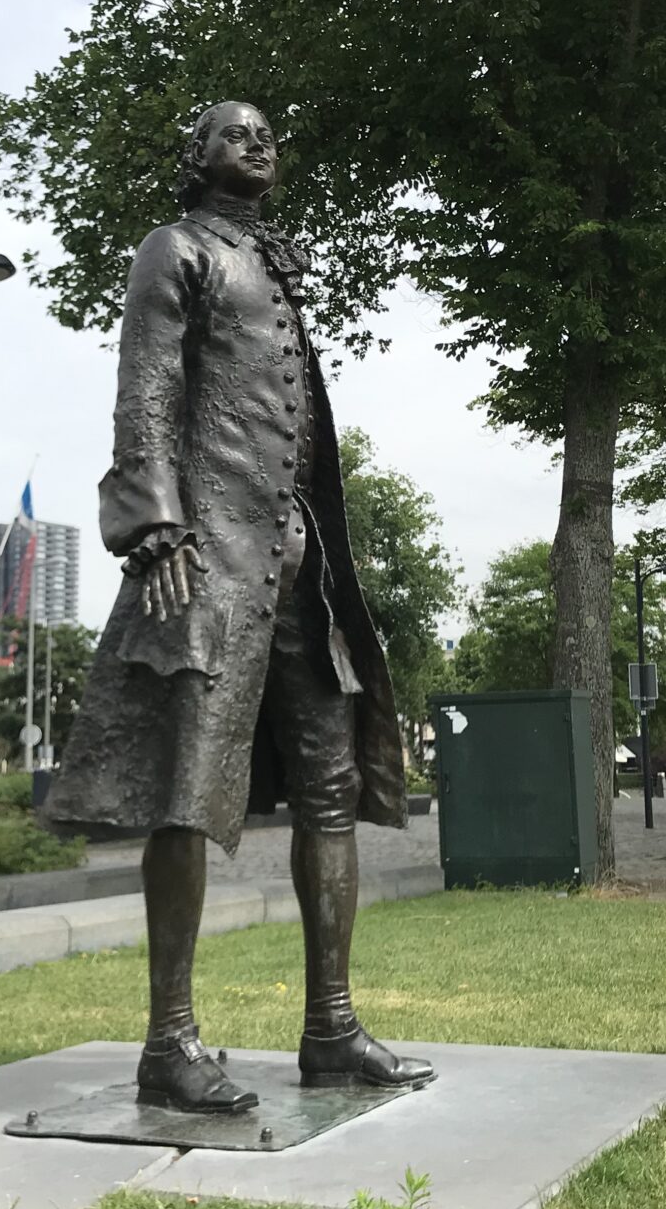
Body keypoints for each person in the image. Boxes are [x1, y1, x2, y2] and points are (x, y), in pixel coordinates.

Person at [48, 101, 433, 1112]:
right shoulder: (173, 250)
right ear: (196, 157)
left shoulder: (279, 262)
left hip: (298, 565)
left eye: (267, 134)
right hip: (206, 554)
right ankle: (168, 1043)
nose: (256, 144)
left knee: (329, 786)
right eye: (233, 132)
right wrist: (155, 525)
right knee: (186, 786)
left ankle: (332, 1028)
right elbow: (146, 389)